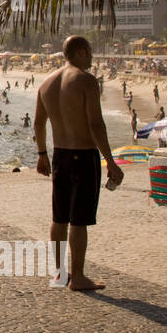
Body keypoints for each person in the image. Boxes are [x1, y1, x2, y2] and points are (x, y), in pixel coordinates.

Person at [34, 35, 123, 291]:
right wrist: (110, 162)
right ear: (82, 52)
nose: (92, 57)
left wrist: (41, 153)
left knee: (59, 217)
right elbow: (95, 124)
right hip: (83, 155)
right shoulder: (86, 81)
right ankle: (80, 276)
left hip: (59, 155)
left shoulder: (47, 83)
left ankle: (61, 274)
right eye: (91, 52)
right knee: (79, 219)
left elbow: (39, 122)